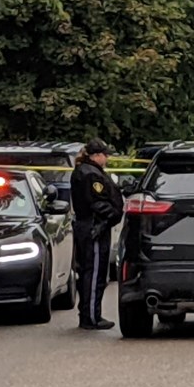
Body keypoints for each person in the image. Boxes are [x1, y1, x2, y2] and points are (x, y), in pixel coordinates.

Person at [71, 138, 124, 330]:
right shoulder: (90, 175)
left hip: (93, 226)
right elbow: (97, 203)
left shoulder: (88, 171)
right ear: (96, 155)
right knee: (93, 273)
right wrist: (110, 215)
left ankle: (89, 314)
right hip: (94, 227)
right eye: (105, 155)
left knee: (92, 272)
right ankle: (91, 316)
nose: (107, 158)